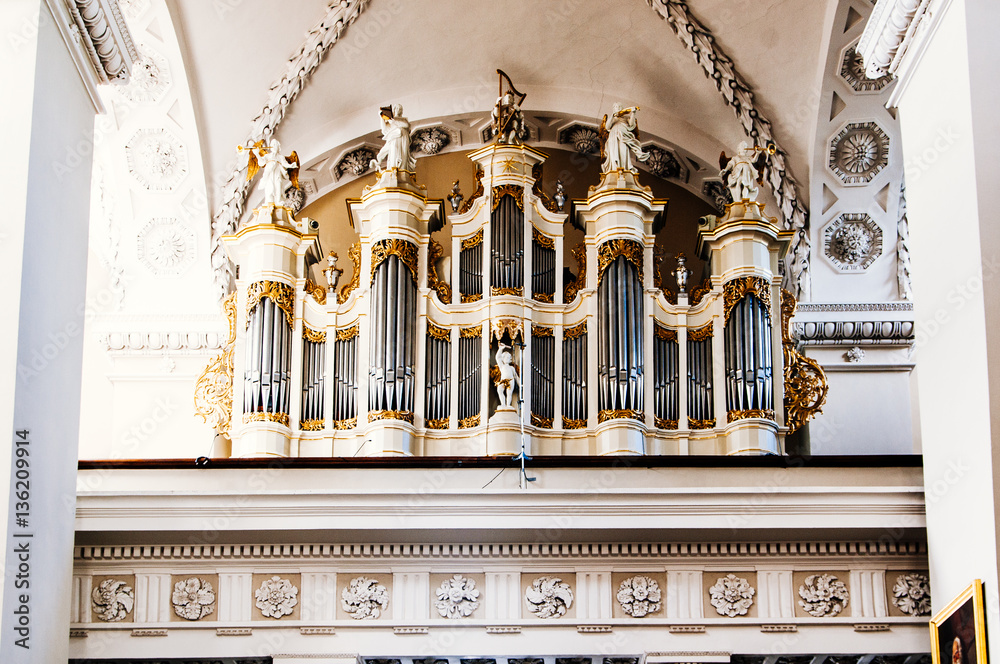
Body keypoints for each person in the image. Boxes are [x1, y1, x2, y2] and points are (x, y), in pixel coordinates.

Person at [601, 103, 649, 172]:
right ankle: (614, 168)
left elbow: (631, 124)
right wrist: (613, 115)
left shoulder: (626, 118)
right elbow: (607, 126)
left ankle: (623, 168)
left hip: (623, 135)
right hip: (613, 136)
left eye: (618, 107)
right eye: (615, 107)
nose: (617, 108)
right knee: (613, 152)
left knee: (623, 150)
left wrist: (633, 113)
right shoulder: (613, 119)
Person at [371, 104, 415, 172]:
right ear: (394, 110)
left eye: (400, 109)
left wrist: (393, 122)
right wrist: (381, 117)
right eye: (397, 108)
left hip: (403, 139)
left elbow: (406, 125)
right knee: (394, 152)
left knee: (403, 154)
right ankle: (394, 169)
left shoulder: (403, 120)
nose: (398, 110)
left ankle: (402, 170)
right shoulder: (389, 120)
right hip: (394, 138)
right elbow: (384, 130)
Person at [495, 344, 521, 408]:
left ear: (510, 359)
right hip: (503, 380)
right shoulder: (502, 366)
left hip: (511, 380)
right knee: (499, 390)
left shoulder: (511, 368)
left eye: (508, 358)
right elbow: (498, 358)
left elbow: (516, 376)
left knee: (509, 393)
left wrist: (520, 384)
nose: (507, 359)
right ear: (503, 359)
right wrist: (501, 349)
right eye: (505, 357)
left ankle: (508, 405)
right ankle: (503, 404)